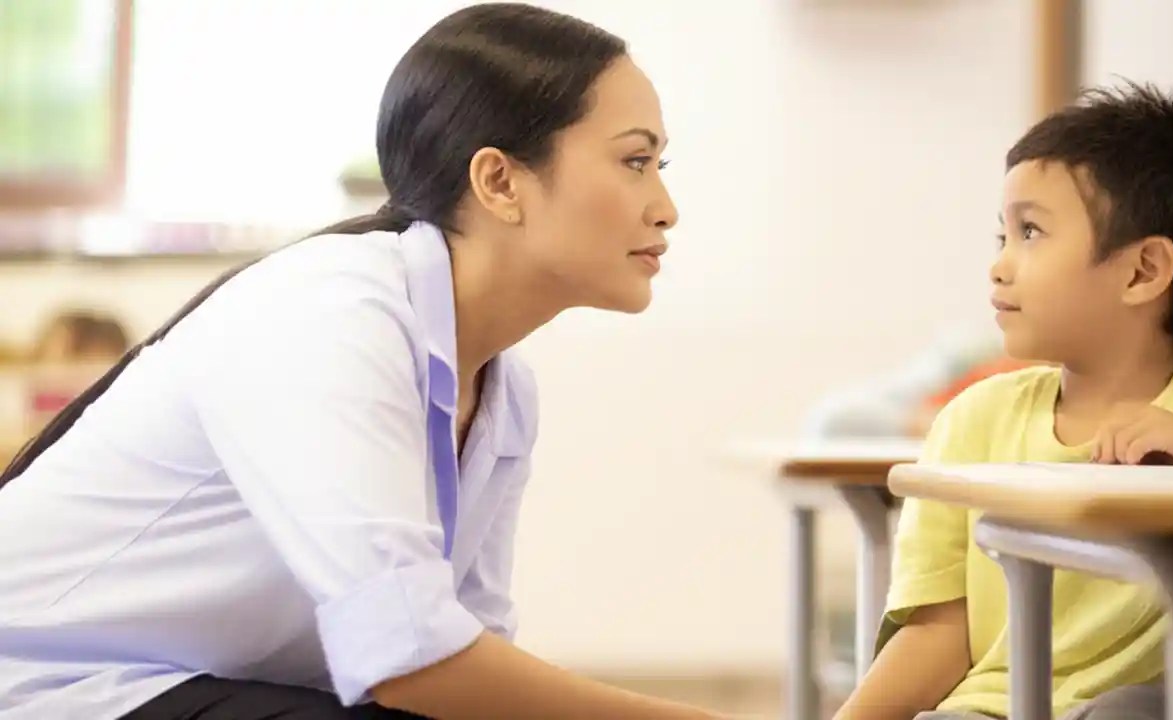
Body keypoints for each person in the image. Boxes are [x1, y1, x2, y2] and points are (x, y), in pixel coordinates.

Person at [0, 5, 722, 719]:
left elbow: (467, 665)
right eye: (634, 161)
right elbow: (410, 662)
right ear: (499, 182)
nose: (665, 207)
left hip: (183, 687)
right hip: (56, 688)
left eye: (659, 166)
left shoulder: (502, 389)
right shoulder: (331, 315)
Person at [835, 82, 1173, 720]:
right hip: (988, 711)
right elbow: (939, 634)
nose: (1000, 265)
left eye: (1032, 232)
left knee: (1135, 710)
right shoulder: (974, 420)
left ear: (1143, 271)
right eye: (1003, 237)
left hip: (1150, 712)